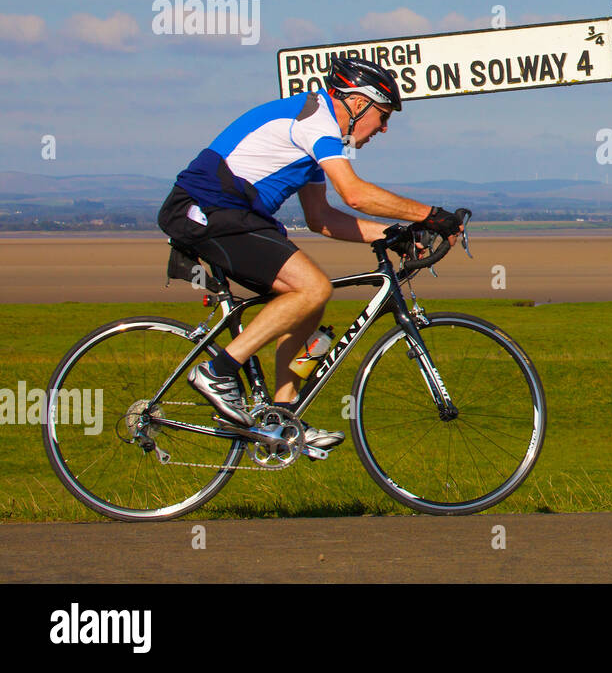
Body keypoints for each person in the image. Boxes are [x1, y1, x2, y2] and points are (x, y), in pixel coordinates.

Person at [156, 57, 462, 452]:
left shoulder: (317, 133)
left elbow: (321, 218)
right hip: (206, 209)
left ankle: (280, 420)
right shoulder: (316, 120)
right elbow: (355, 194)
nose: (383, 129)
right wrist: (431, 216)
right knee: (312, 287)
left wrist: (395, 234)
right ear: (356, 104)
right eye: (383, 116)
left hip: (236, 214)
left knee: (309, 302)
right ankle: (217, 372)